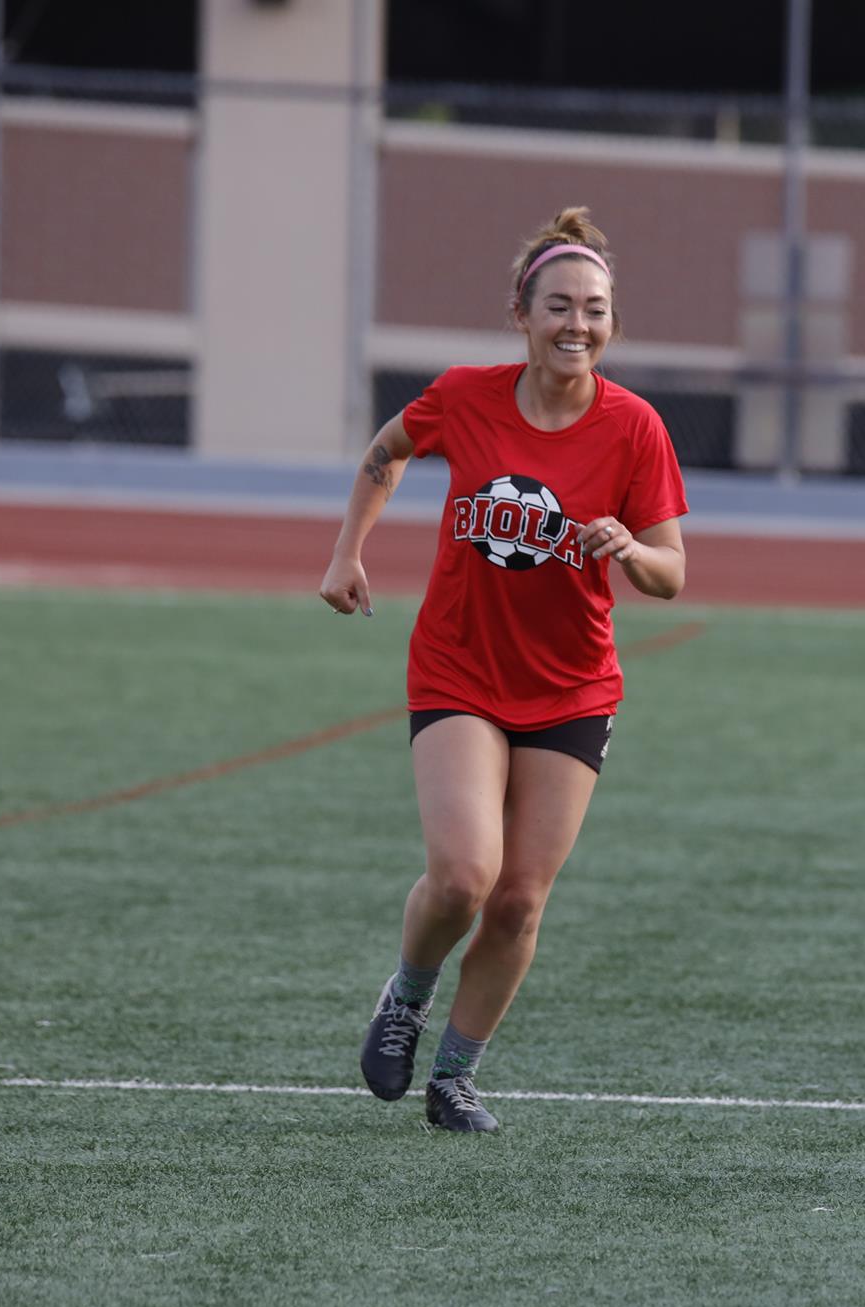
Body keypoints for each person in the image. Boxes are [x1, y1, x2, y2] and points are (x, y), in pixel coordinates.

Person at [320, 207, 688, 1132]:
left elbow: (672, 572)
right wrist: (346, 551)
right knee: (463, 876)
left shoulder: (635, 427)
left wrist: (629, 551)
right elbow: (388, 450)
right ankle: (405, 996)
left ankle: (455, 1075)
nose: (579, 325)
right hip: (460, 669)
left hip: (571, 687)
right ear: (520, 315)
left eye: (596, 310)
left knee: (520, 899)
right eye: (559, 307)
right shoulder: (466, 395)